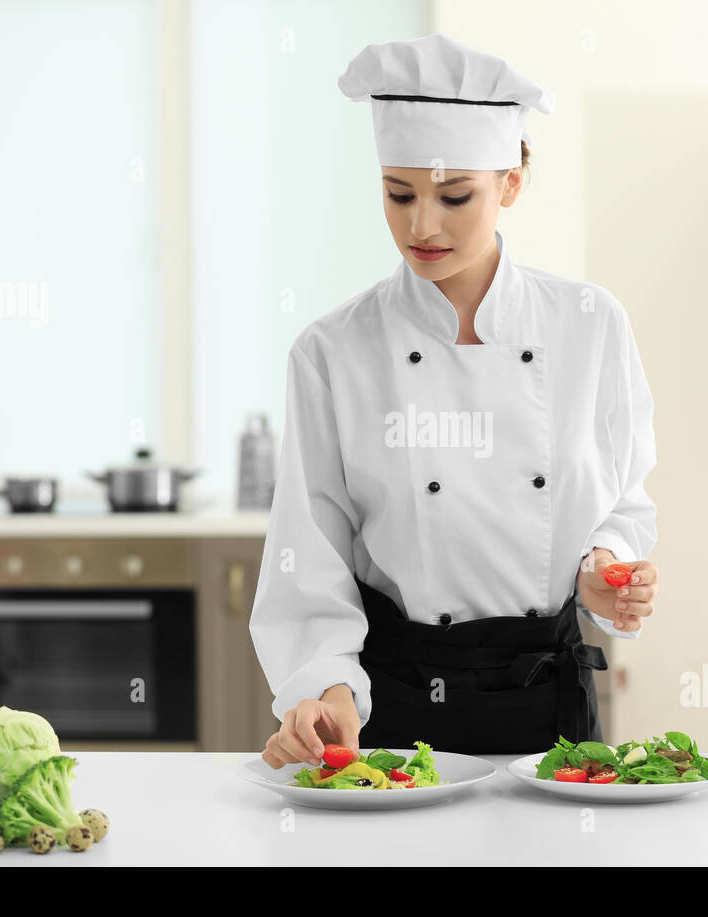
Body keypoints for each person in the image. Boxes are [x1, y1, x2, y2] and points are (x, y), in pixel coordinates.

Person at [250, 34, 657, 768]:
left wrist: (608, 567)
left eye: (454, 195)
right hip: (396, 708)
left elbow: (623, 499)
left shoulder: (591, 325)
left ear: (511, 183)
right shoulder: (333, 351)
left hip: (548, 705)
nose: (421, 226)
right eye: (397, 194)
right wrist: (326, 689)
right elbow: (307, 552)